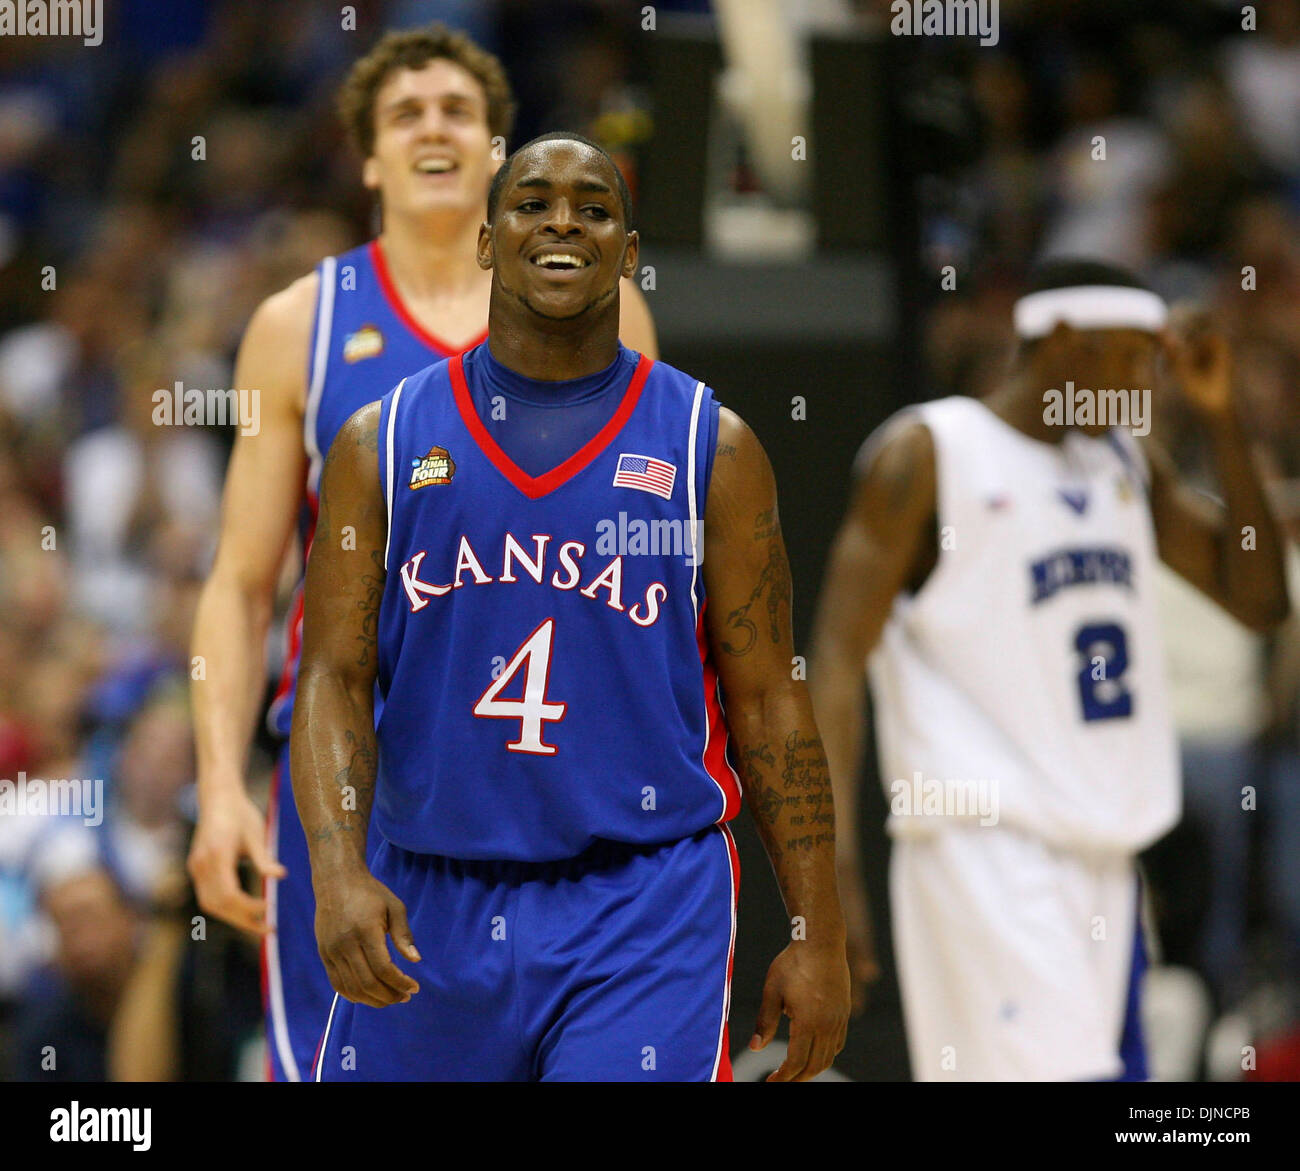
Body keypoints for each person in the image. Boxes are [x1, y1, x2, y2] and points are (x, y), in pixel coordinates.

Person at [292, 132, 850, 1082]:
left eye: (594, 208)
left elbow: (769, 700)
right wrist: (339, 868)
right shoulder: (379, 443)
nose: (563, 222)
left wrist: (817, 930)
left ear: (629, 257)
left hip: (642, 905)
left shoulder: (711, 445)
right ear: (486, 241)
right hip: (431, 898)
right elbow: (332, 678)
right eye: (532, 203)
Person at [187, 24, 661, 1083]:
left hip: (551, 782)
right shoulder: (299, 322)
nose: (434, 129)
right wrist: (219, 784)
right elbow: (240, 582)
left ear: (499, 150)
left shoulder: (607, 303)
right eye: (406, 115)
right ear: (368, 159)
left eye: (458, 111)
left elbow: (643, 564)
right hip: (361, 782)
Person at [810, 258, 1290, 1081]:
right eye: (1137, 356)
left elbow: (1259, 598)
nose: (1152, 380)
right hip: (987, 851)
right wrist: (832, 866)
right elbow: (835, 661)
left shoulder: (1123, 465)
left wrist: (1223, 421)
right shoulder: (932, 452)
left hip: (1105, 857)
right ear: (1064, 340)